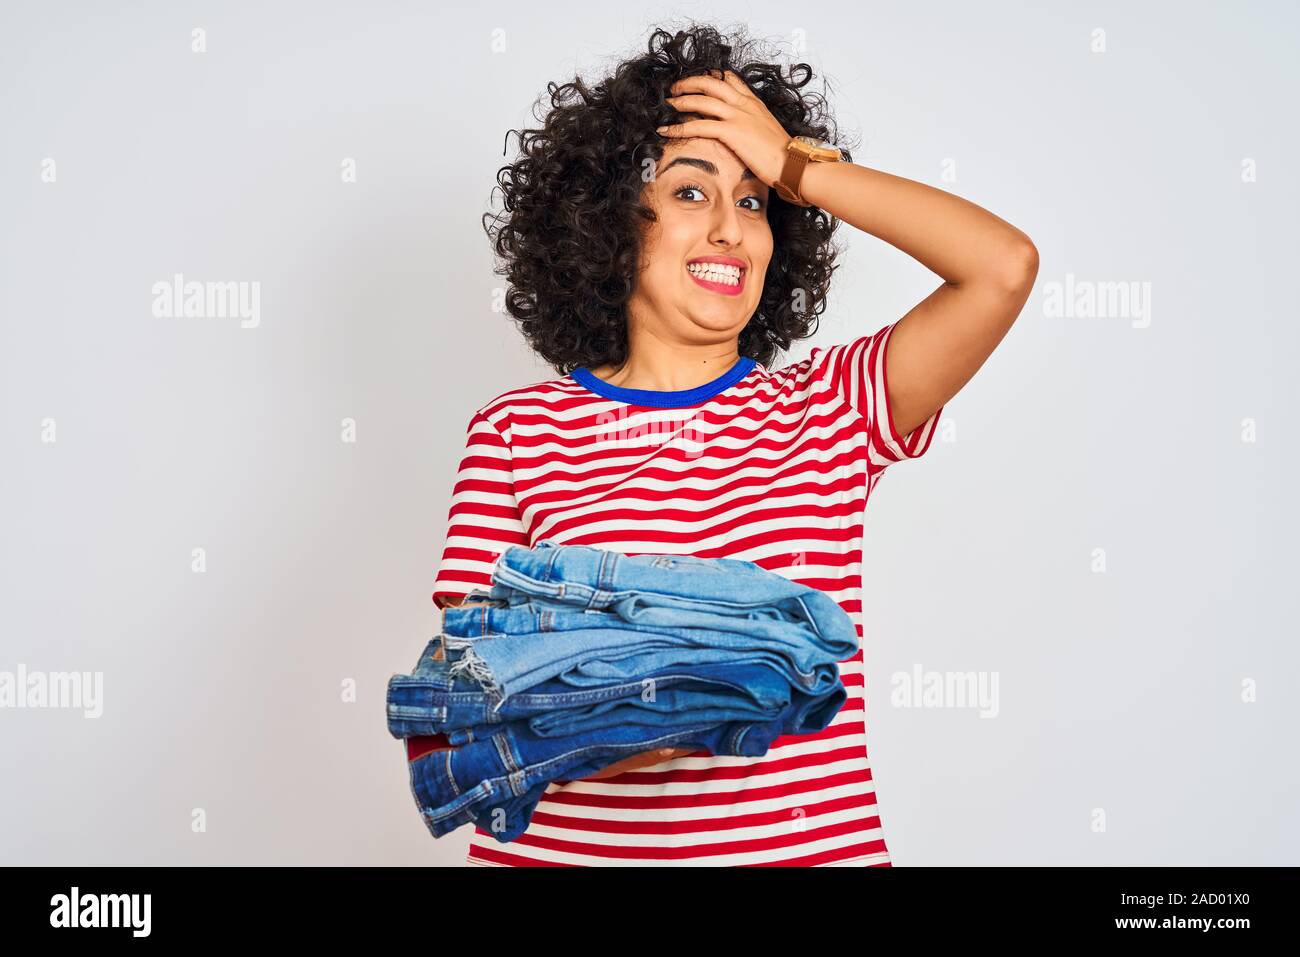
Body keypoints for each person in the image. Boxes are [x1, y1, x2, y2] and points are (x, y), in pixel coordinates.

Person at [420, 24, 1037, 866]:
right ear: (608, 224)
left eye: (752, 201)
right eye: (689, 192)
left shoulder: (830, 407)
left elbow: (1001, 265)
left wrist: (797, 166)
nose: (728, 229)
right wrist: (674, 695)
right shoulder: (518, 430)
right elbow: (474, 697)